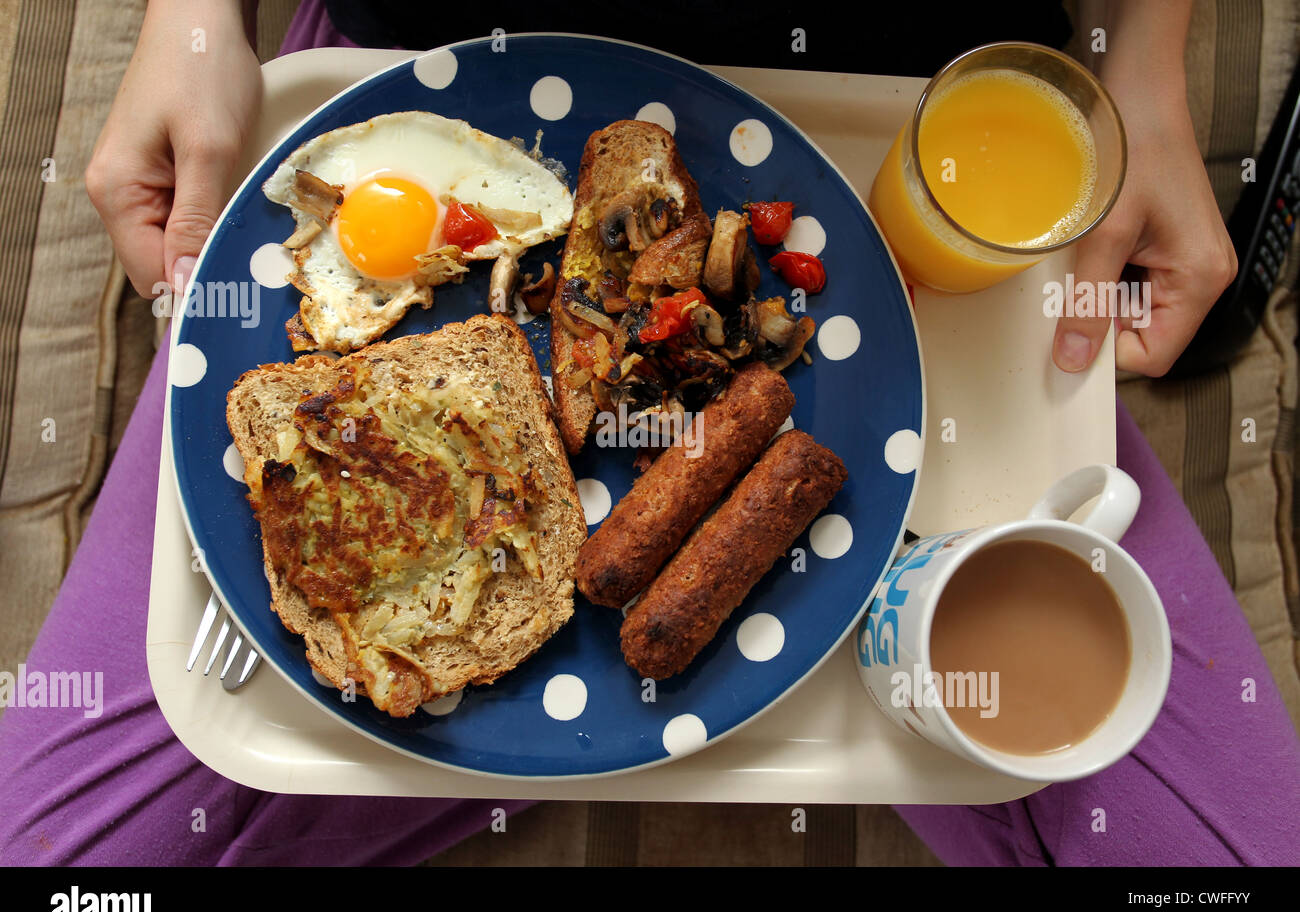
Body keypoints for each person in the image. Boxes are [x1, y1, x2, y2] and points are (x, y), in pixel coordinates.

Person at [0, 0, 1294, 866]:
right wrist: (188, 19)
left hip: (937, 112)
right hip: (423, 55)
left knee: (1219, 865)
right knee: (59, 861)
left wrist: (1144, 77)